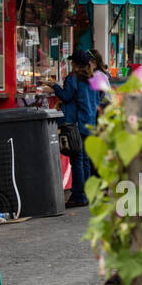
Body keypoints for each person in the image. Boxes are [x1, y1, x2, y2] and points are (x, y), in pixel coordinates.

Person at [47, 49, 97, 207]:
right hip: (90, 123)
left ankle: (79, 195)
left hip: (75, 123)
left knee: (77, 160)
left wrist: (54, 86)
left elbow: (66, 96)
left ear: (75, 64)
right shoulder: (93, 79)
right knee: (85, 160)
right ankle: (87, 194)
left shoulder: (72, 78)